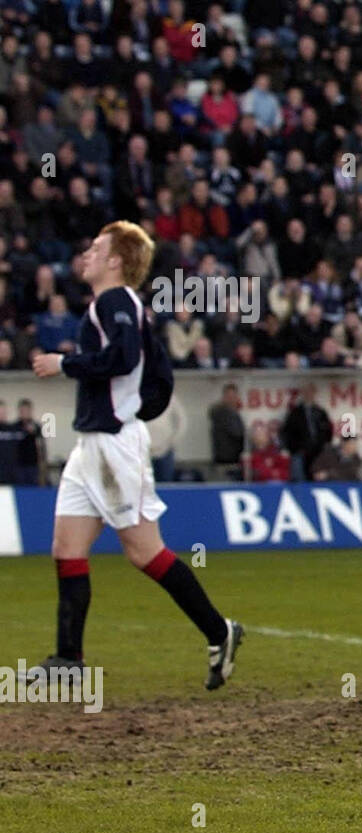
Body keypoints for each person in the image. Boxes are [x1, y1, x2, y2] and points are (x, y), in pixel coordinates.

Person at [29, 222, 244, 689]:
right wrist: (135, 409)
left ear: (115, 261)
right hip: (94, 444)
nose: (87, 251)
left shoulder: (115, 302)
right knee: (67, 549)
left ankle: (219, 630)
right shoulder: (123, 306)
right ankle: (68, 660)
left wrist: (64, 364)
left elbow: (125, 360)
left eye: (96, 246)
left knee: (145, 552)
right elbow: (159, 376)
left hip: (111, 446)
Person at [281, 382, 332, 479]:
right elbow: (287, 432)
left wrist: (324, 446)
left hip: (318, 453)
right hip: (301, 453)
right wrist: (295, 448)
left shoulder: (320, 412)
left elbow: (328, 431)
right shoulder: (295, 412)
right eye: (306, 392)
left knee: (319, 478)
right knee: (300, 478)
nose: (309, 394)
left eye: (311, 392)